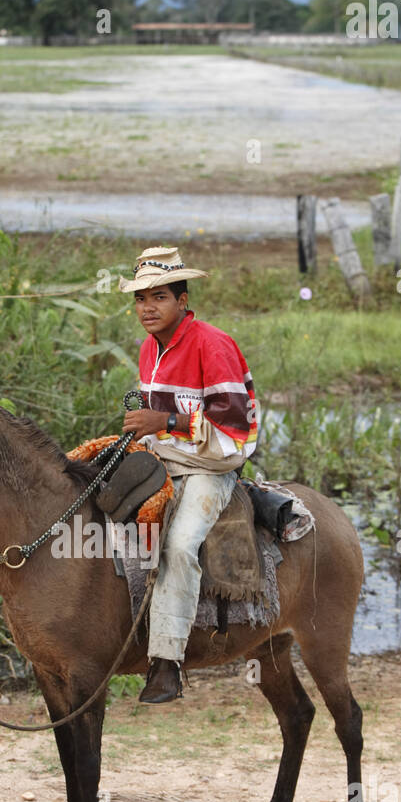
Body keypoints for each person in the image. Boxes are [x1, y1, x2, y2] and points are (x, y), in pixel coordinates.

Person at [118, 246, 258, 703]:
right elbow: (156, 418)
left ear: (182, 300)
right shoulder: (148, 348)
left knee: (179, 545)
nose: (146, 308)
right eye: (140, 299)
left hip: (209, 466)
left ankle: (167, 663)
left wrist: (164, 423)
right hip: (163, 460)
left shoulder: (211, 344)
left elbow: (235, 428)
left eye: (158, 297)